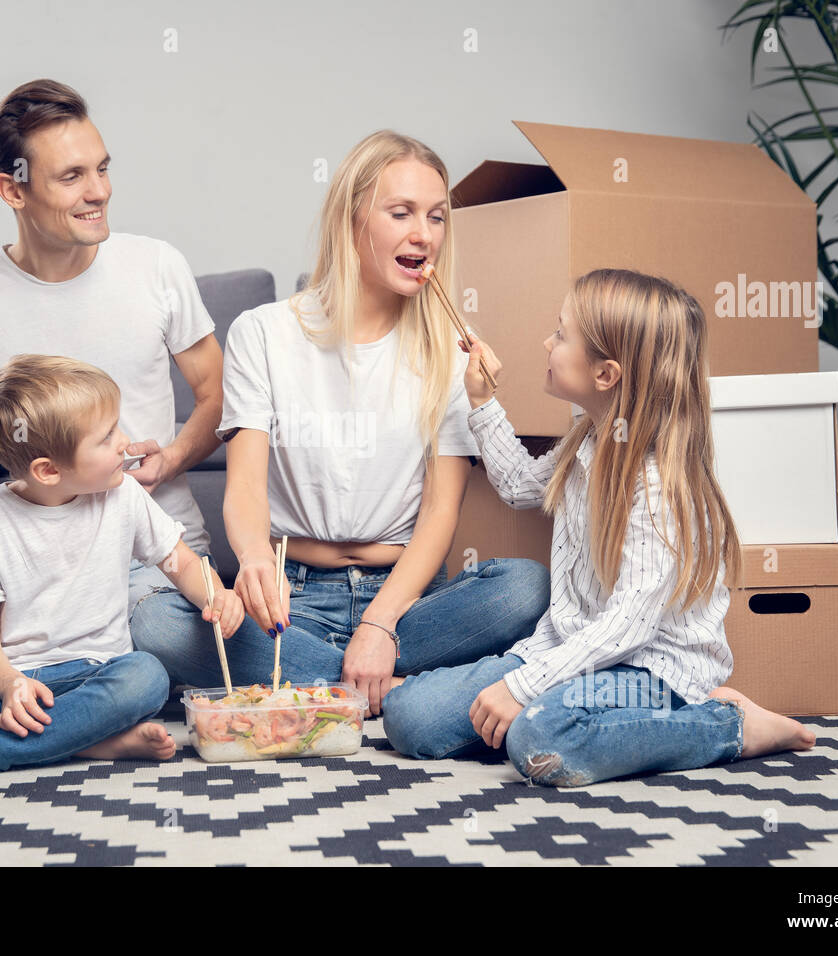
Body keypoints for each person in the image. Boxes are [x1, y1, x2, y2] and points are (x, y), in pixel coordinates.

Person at [130, 130, 549, 714]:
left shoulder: (451, 351)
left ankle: (314, 686)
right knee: (157, 622)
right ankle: (388, 692)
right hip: (290, 599)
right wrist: (252, 558)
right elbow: (245, 485)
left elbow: (439, 513)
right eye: (400, 213)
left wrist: (379, 624)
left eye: (436, 217)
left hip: (407, 601)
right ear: (353, 221)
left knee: (525, 588)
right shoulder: (263, 332)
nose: (423, 234)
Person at [382, 269, 817, 786]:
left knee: (540, 742)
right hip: (572, 649)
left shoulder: (657, 486)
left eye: (561, 334)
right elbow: (522, 485)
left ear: (606, 375)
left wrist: (523, 688)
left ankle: (729, 724)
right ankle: (577, 712)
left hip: (650, 670)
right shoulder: (588, 439)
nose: (547, 342)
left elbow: (629, 625)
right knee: (409, 716)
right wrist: (481, 401)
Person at [0, 78, 225, 620]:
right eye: (71, 177)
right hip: (40, 567)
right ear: (13, 190)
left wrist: (171, 460)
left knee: (159, 631)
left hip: (158, 552)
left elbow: (218, 395)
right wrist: (18, 436)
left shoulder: (157, 267)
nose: (99, 192)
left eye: (102, 169)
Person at [0, 356, 245, 784]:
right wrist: (10, 685)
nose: (125, 442)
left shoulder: (125, 497)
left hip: (97, 672)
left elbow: (182, 563)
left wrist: (217, 594)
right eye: (106, 438)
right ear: (48, 470)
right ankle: (89, 739)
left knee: (147, 677)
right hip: (9, 683)